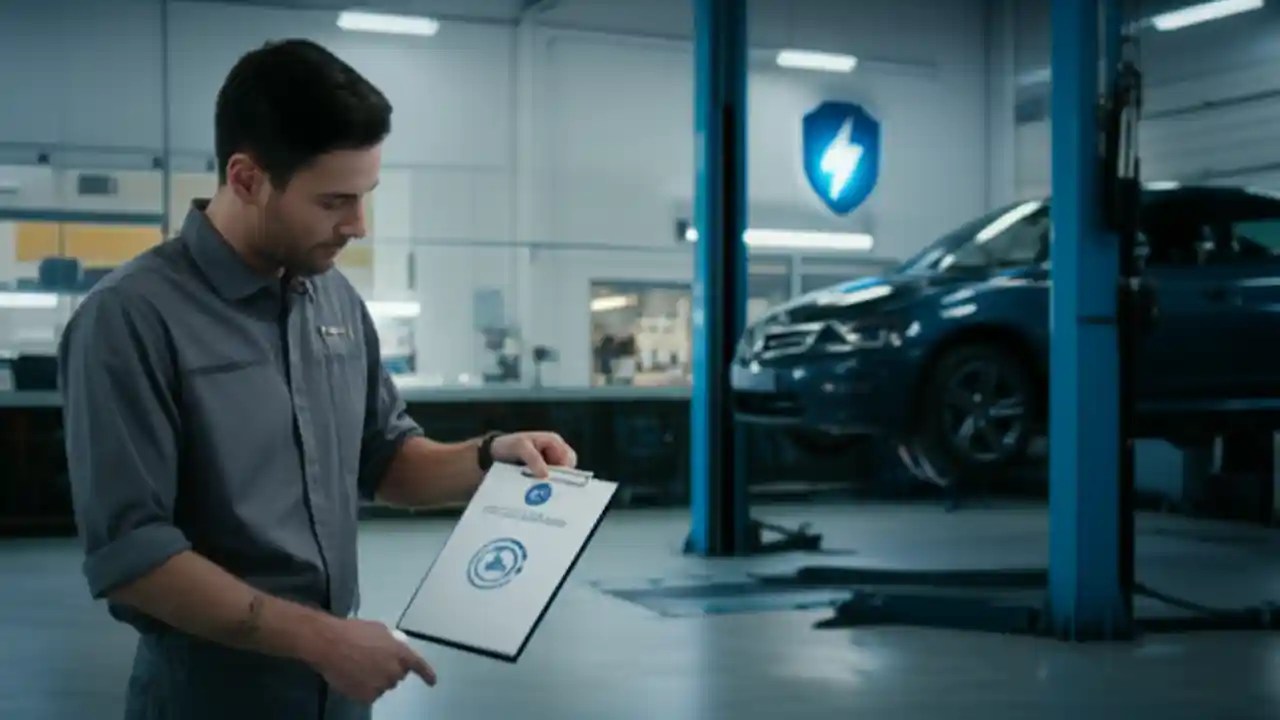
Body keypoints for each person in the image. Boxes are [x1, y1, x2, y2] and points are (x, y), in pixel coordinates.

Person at [57, 39, 578, 720]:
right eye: (334, 200)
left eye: (365, 196)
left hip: (339, 692)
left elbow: (387, 460)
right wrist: (323, 639)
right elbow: (134, 559)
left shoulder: (331, 301)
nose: (358, 226)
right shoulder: (129, 320)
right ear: (245, 178)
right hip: (210, 698)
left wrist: (490, 456)